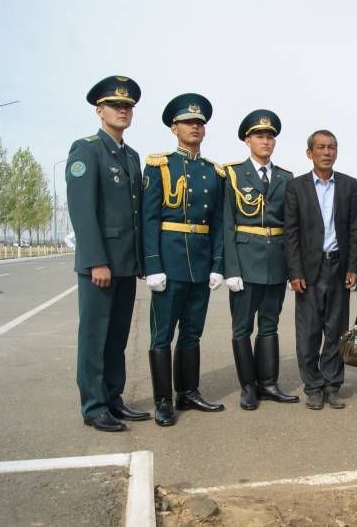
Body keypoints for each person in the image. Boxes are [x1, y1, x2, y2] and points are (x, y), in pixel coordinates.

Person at [66, 75, 149, 432]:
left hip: (126, 263)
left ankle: (114, 398)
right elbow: (82, 212)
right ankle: (94, 405)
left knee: (117, 335)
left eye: (128, 106)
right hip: (101, 264)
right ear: (100, 111)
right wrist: (95, 260)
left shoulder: (130, 156)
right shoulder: (86, 150)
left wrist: (140, 261)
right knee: (95, 336)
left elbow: (136, 214)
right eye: (116, 105)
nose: (123, 111)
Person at [142, 93, 226, 426]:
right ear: (174, 128)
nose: (195, 127)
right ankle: (163, 400)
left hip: (201, 263)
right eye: (189, 122)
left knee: (192, 334)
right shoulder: (160, 165)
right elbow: (149, 219)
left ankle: (188, 392)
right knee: (162, 335)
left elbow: (218, 222)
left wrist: (218, 264)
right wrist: (152, 265)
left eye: (200, 123)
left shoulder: (213, 172)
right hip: (170, 261)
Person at [223, 110, 299, 410]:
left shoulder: (285, 177)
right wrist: (230, 268)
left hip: (275, 261)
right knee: (242, 327)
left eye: (270, 137)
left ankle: (269, 383)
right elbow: (227, 224)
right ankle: (248, 387)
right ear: (247, 140)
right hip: (244, 260)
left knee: (270, 324)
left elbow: (292, 227)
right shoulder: (232, 174)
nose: (266, 141)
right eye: (259, 136)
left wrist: (293, 268)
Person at [285, 130, 357, 410]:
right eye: (320, 147)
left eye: (331, 147)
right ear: (310, 153)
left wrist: (352, 266)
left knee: (336, 330)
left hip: (339, 267)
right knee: (308, 332)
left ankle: (332, 385)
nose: (326, 152)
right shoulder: (296, 187)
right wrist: (294, 272)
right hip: (308, 271)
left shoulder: (349, 185)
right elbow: (290, 233)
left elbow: (354, 230)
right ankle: (313, 386)